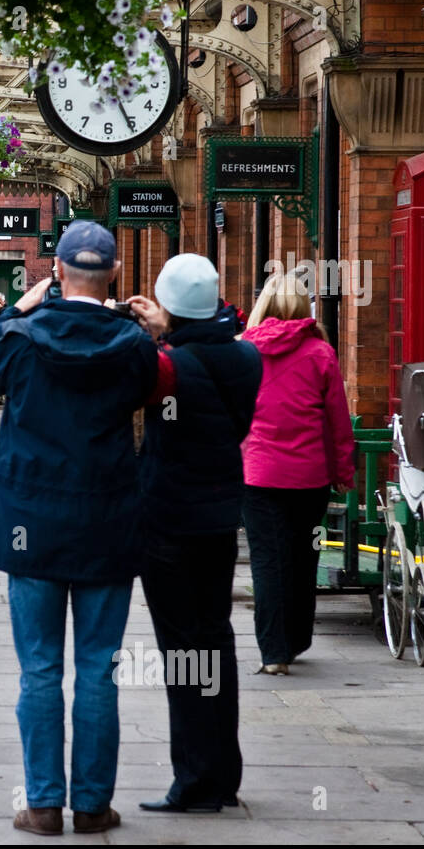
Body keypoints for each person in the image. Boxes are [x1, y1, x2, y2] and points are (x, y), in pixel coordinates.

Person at [0, 221, 159, 836]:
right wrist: (148, 327)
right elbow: (151, 386)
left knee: (40, 669)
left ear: (59, 273)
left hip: (32, 525)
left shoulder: (21, 336)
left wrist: (23, 303)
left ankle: (44, 805)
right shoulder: (131, 345)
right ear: (115, 276)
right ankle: (93, 806)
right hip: (105, 521)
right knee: (99, 668)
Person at [126, 254, 263, 814]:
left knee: (183, 654)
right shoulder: (248, 356)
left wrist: (151, 336)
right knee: (217, 642)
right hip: (219, 520)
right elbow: (218, 337)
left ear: (170, 309)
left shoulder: (169, 367)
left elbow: (134, 385)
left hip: (168, 525)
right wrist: (172, 329)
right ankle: (223, 774)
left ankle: (194, 781)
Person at [239, 271, 355, 675]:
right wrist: (343, 470)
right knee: (303, 557)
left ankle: (274, 653)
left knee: (267, 562)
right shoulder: (320, 353)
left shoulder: (244, 350)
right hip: (309, 476)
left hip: (258, 475)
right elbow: (337, 420)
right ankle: (296, 638)